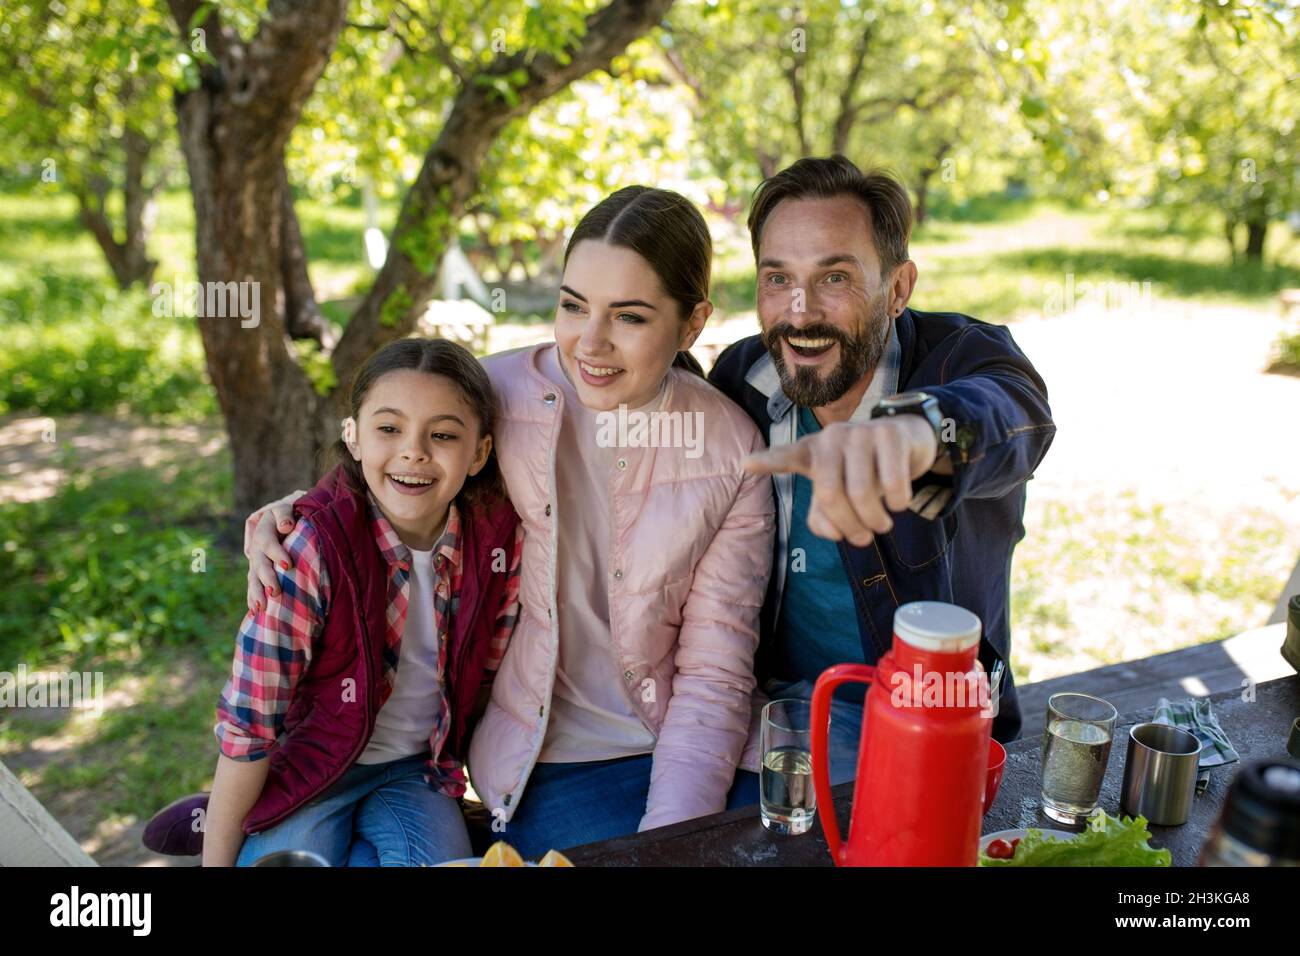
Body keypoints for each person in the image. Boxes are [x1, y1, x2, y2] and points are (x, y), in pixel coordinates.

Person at [242, 186, 776, 858]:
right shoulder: (494, 399)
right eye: (573, 305)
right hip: (546, 762)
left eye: (630, 317)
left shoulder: (732, 447)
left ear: (693, 323)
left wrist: (667, 841)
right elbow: (388, 472)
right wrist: (288, 517)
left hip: (687, 746)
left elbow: (714, 673)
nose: (591, 342)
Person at [709, 155, 1056, 798]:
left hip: (919, 722)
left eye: (834, 276)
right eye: (777, 277)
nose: (800, 311)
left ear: (898, 289)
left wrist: (915, 435)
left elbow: (1017, 420)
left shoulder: (961, 360)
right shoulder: (743, 381)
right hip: (763, 712)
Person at [203, 338, 523, 866]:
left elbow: (486, 678)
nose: (413, 451)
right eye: (389, 428)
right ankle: (210, 820)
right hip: (312, 770)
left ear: (480, 453)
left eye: (442, 435)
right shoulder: (309, 549)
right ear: (352, 436)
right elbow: (249, 724)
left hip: (416, 771)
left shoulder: (496, 545)